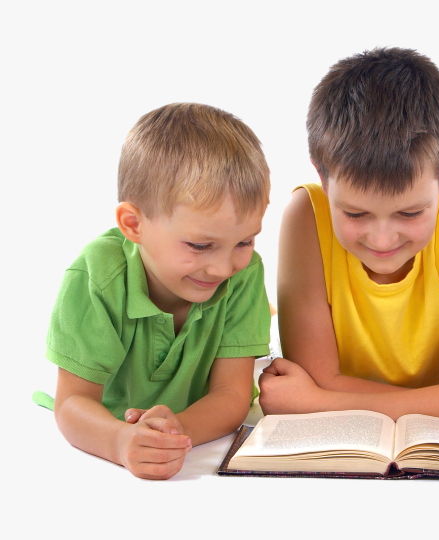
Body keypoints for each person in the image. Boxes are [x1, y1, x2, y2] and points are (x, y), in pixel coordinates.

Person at [259, 47, 439, 427]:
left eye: (410, 213)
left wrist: (317, 403)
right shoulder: (305, 215)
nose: (382, 240)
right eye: (354, 213)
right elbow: (318, 378)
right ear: (322, 177)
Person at [45, 103, 272, 480]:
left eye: (245, 241)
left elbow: (232, 395)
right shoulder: (95, 275)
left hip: (196, 431)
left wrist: (177, 433)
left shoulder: (245, 275)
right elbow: (72, 403)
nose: (223, 268)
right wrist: (120, 440)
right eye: (200, 246)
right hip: (110, 422)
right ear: (133, 224)